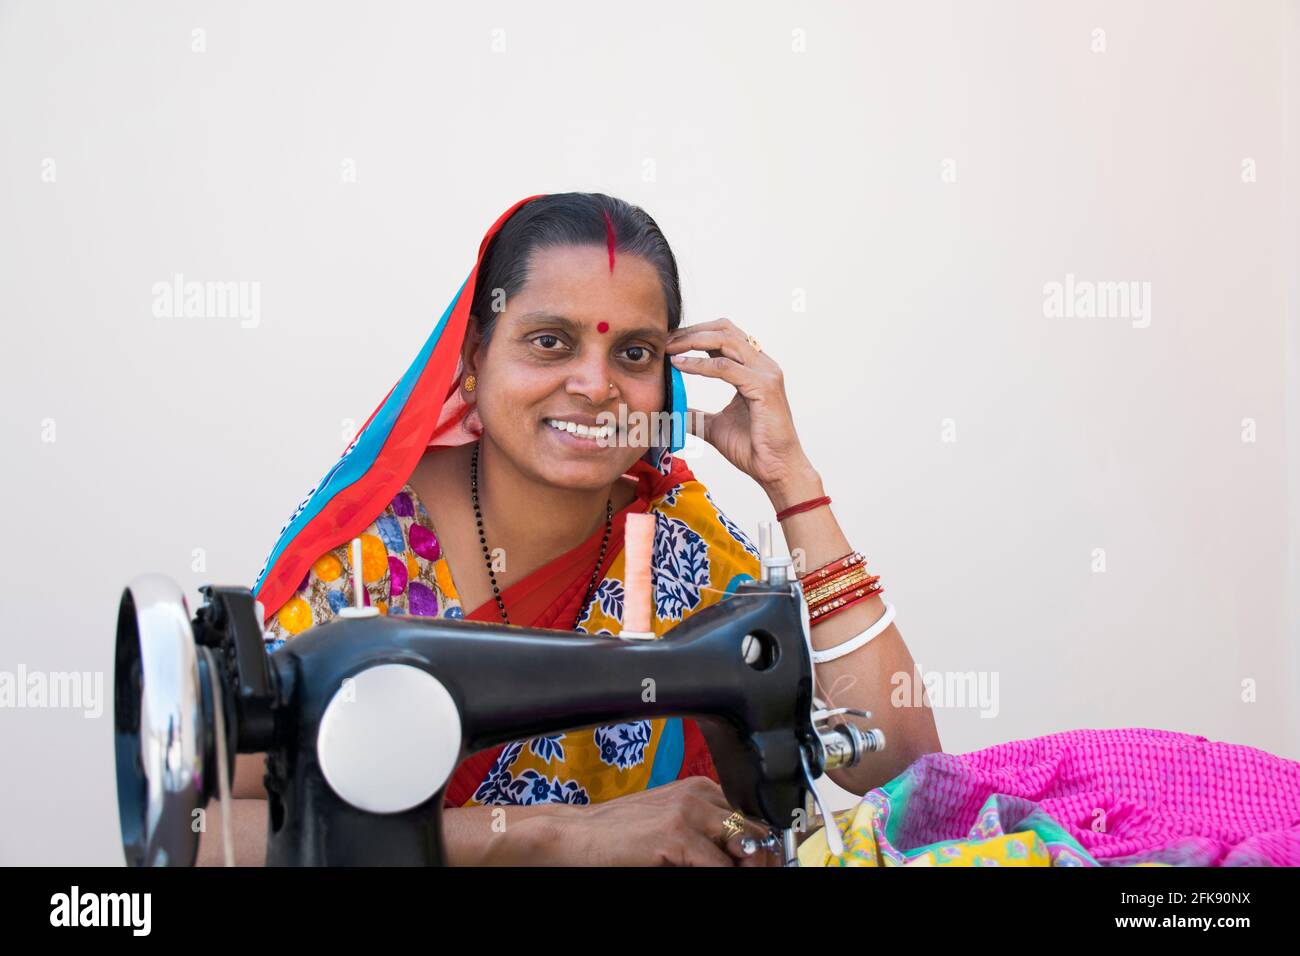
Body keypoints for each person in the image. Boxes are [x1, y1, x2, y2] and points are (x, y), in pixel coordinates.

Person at [198, 192, 940, 866]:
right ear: (472, 363)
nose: (595, 385)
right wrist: (555, 836)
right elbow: (209, 835)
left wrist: (793, 484)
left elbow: (910, 781)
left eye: (634, 353)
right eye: (550, 341)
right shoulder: (369, 556)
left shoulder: (677, 538)